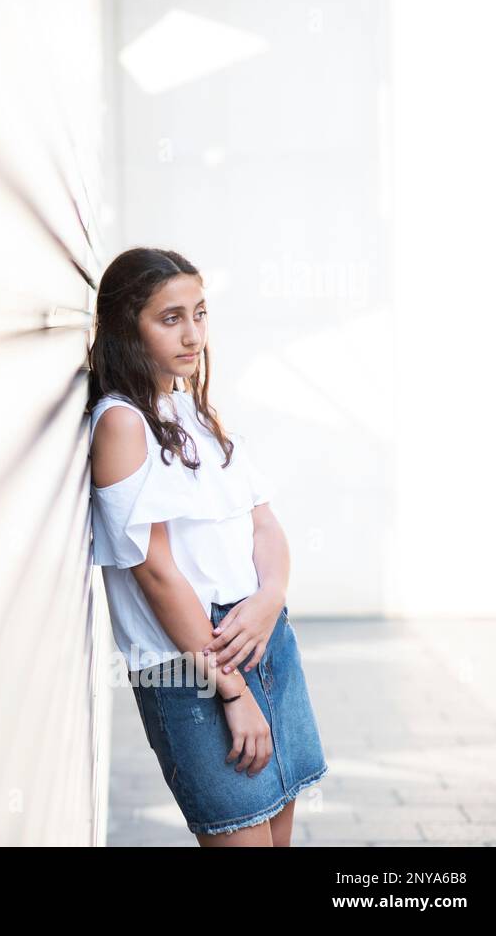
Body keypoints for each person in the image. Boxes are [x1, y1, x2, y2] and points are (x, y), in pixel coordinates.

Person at [86, 246, 328, 847]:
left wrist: (271, 597)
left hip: (263, 634)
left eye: (199, 313)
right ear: (125, 327)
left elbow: (263, 524)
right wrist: (232, 691)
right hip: (195, 664)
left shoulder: (192, 408)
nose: (193, 334)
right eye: (170, 318)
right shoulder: (123, 424)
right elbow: (157, 575)